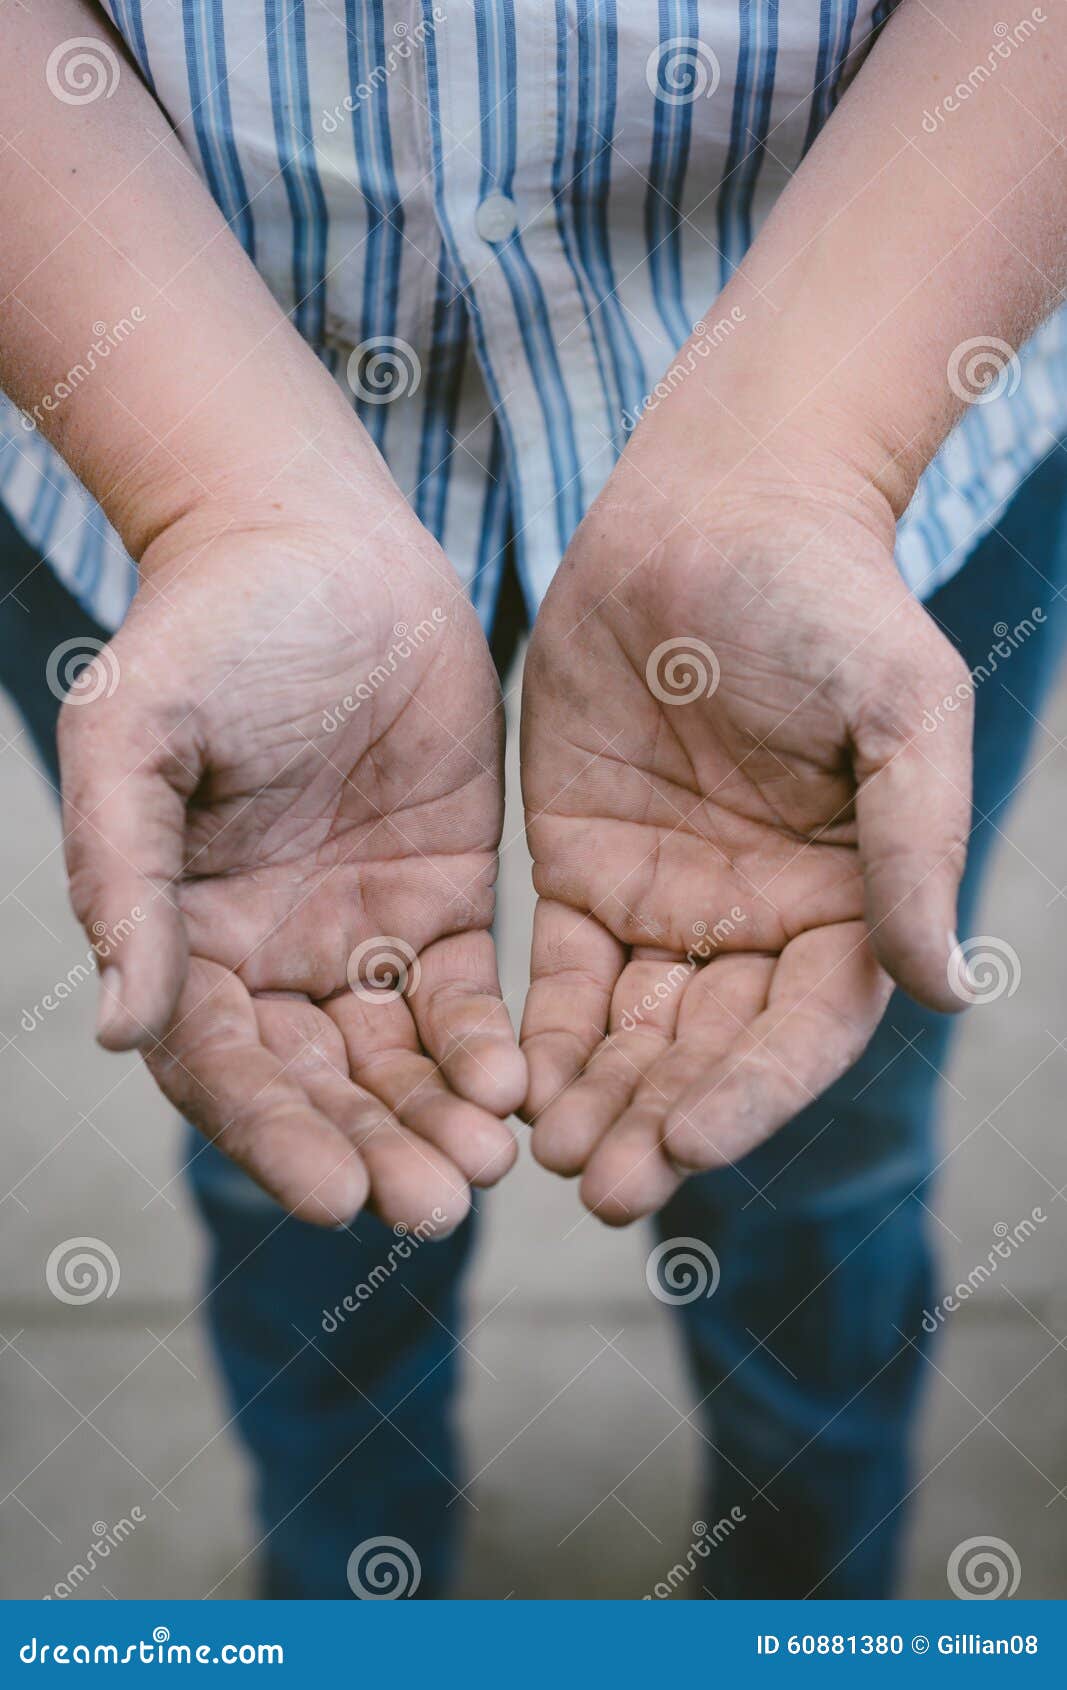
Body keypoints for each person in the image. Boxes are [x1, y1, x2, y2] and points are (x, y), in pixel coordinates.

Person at [1, 0, 1064, 1597]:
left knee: (821, 1136)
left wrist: (803, 458)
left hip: (891, 388)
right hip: (135, 398)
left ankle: (801, 1603)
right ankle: (354, 1598)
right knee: (282, 1115)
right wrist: (221, 499)